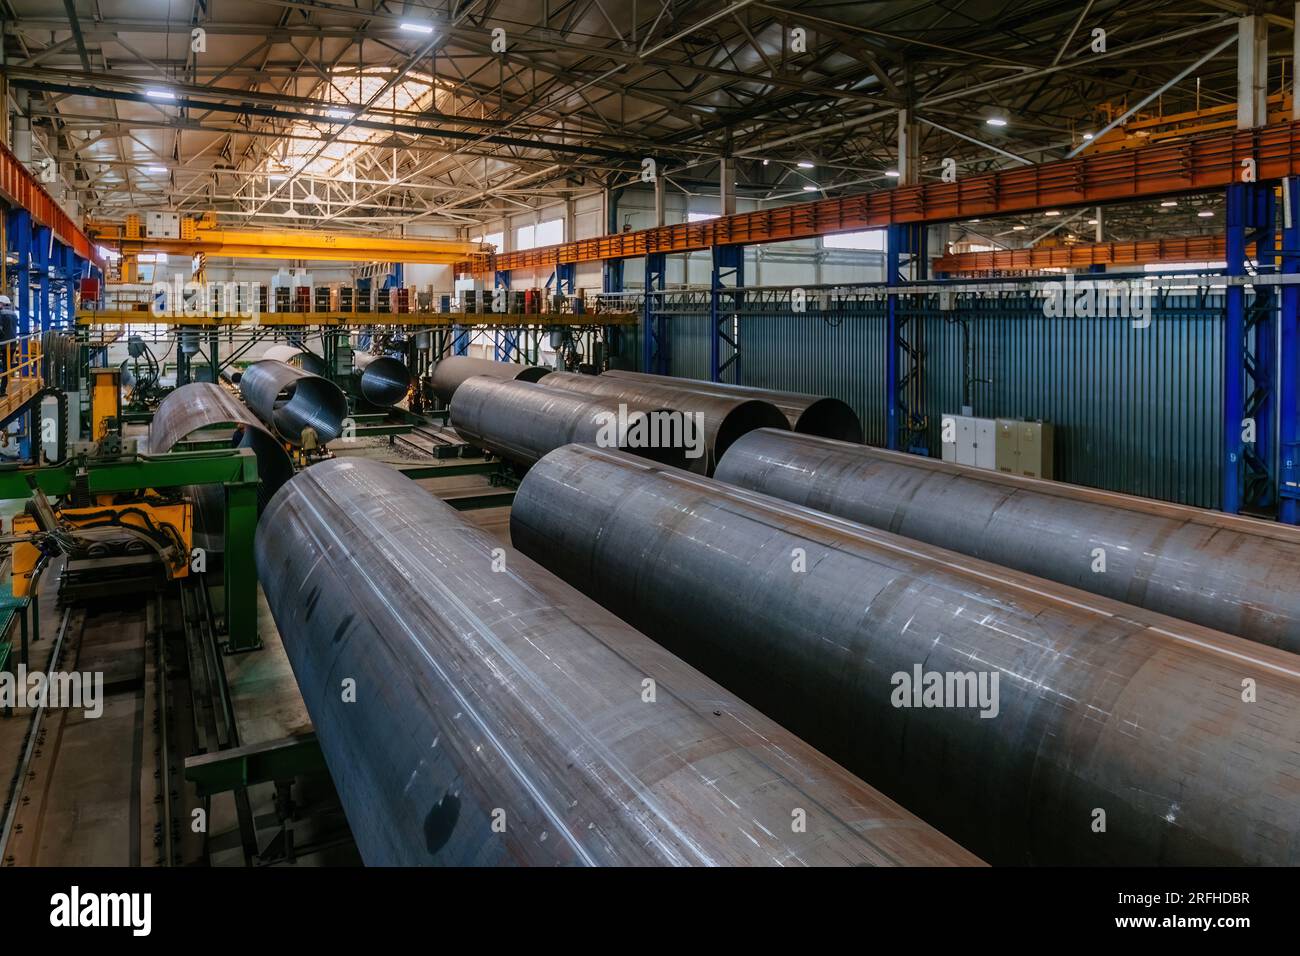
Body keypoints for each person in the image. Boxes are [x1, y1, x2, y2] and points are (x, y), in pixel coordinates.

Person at [0, 295, 16, 397]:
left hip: (2, 344)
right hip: (12, 344)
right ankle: (2, 390)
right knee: (6, 367)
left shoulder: (1, 313)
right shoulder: (14, 314)